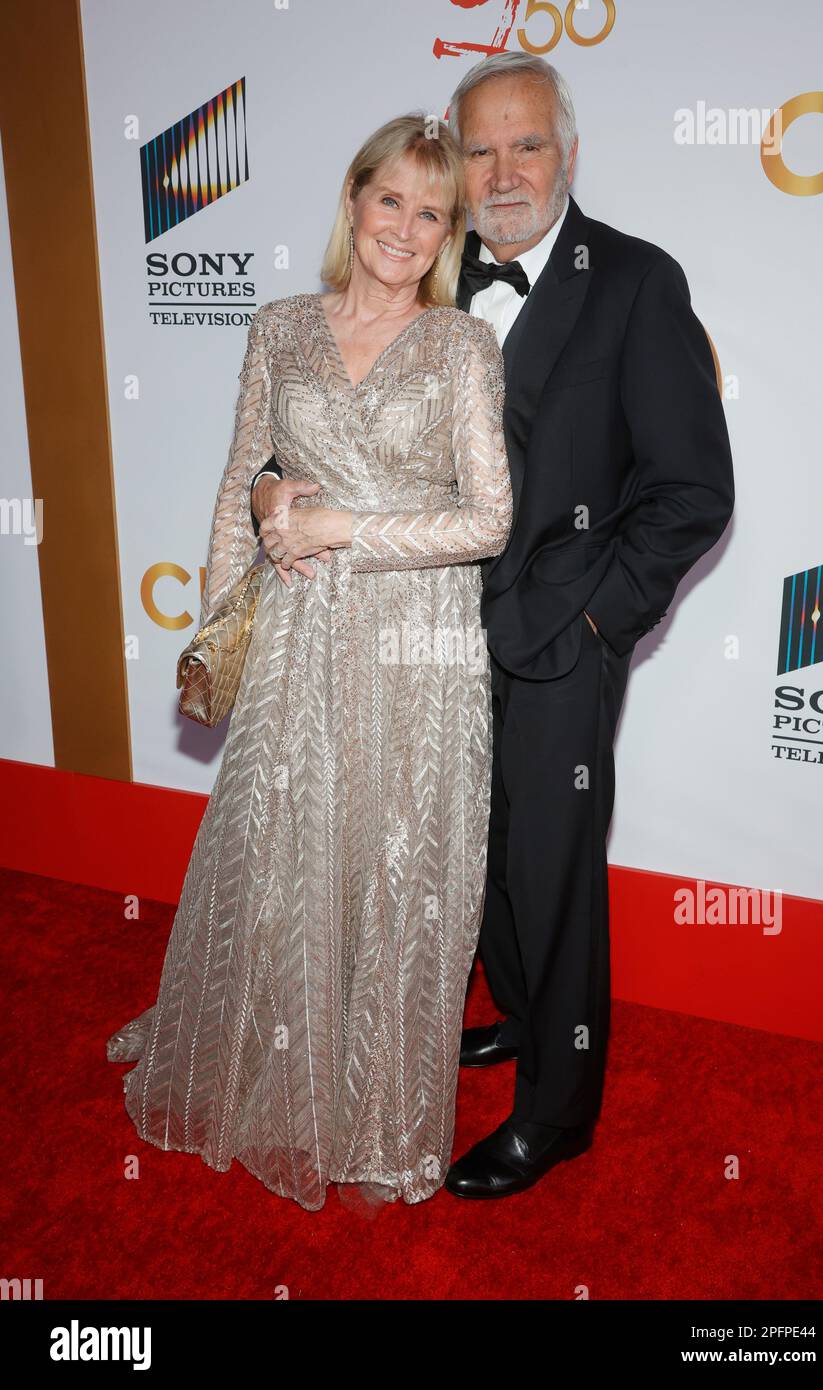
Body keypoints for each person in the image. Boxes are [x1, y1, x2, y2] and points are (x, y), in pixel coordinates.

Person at [256, 52, 735, 1200]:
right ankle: (519, 1013)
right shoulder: (423, 268)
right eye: (478, 148)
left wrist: (592, 619)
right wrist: (276, 487)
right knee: (473, 854)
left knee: (550, 862)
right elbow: (337, 419)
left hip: (555, 636)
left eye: (526, 144)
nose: (502, 169)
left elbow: (692, 492)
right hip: (416, 633)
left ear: (565, 154)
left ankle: (555, 1115)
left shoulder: (630, 281)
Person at [106, 114, 513, 1211]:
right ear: (352, 200)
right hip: (295, 633)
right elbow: (245, 469)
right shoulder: (281, 326)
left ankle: (368, 1103)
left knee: (392, 863)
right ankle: (269, 1067)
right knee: (286, 847)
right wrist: (225, 602)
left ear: (447, 236)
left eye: (433, 213)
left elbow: (488, 517)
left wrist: (342, 530)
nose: (406, 227)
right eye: (391, 200)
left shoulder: (461, 345)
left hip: (416, 642)